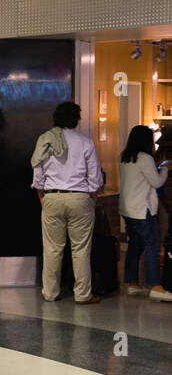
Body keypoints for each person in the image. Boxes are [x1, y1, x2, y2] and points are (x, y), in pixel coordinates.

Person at [31, 102, 104, 303]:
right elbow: (95, 178)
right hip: (80, 198)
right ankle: (82, 295)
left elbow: (38, 172)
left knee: (53, 248)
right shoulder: (85, 143)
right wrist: (92, 195)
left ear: (55, 118)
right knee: (80, 249)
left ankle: (50, 293)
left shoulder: (45, 139)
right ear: (76, 120)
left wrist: (41, 194)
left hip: (52, 196)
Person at [117, 125, 171, 301]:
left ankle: (132, 284)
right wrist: (165, 169)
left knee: (135, 245)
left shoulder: (124, 157)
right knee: (152, 246)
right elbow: (156, 183)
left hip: (127, 209)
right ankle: (155, 286)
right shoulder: (145, 157)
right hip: (142, 210)